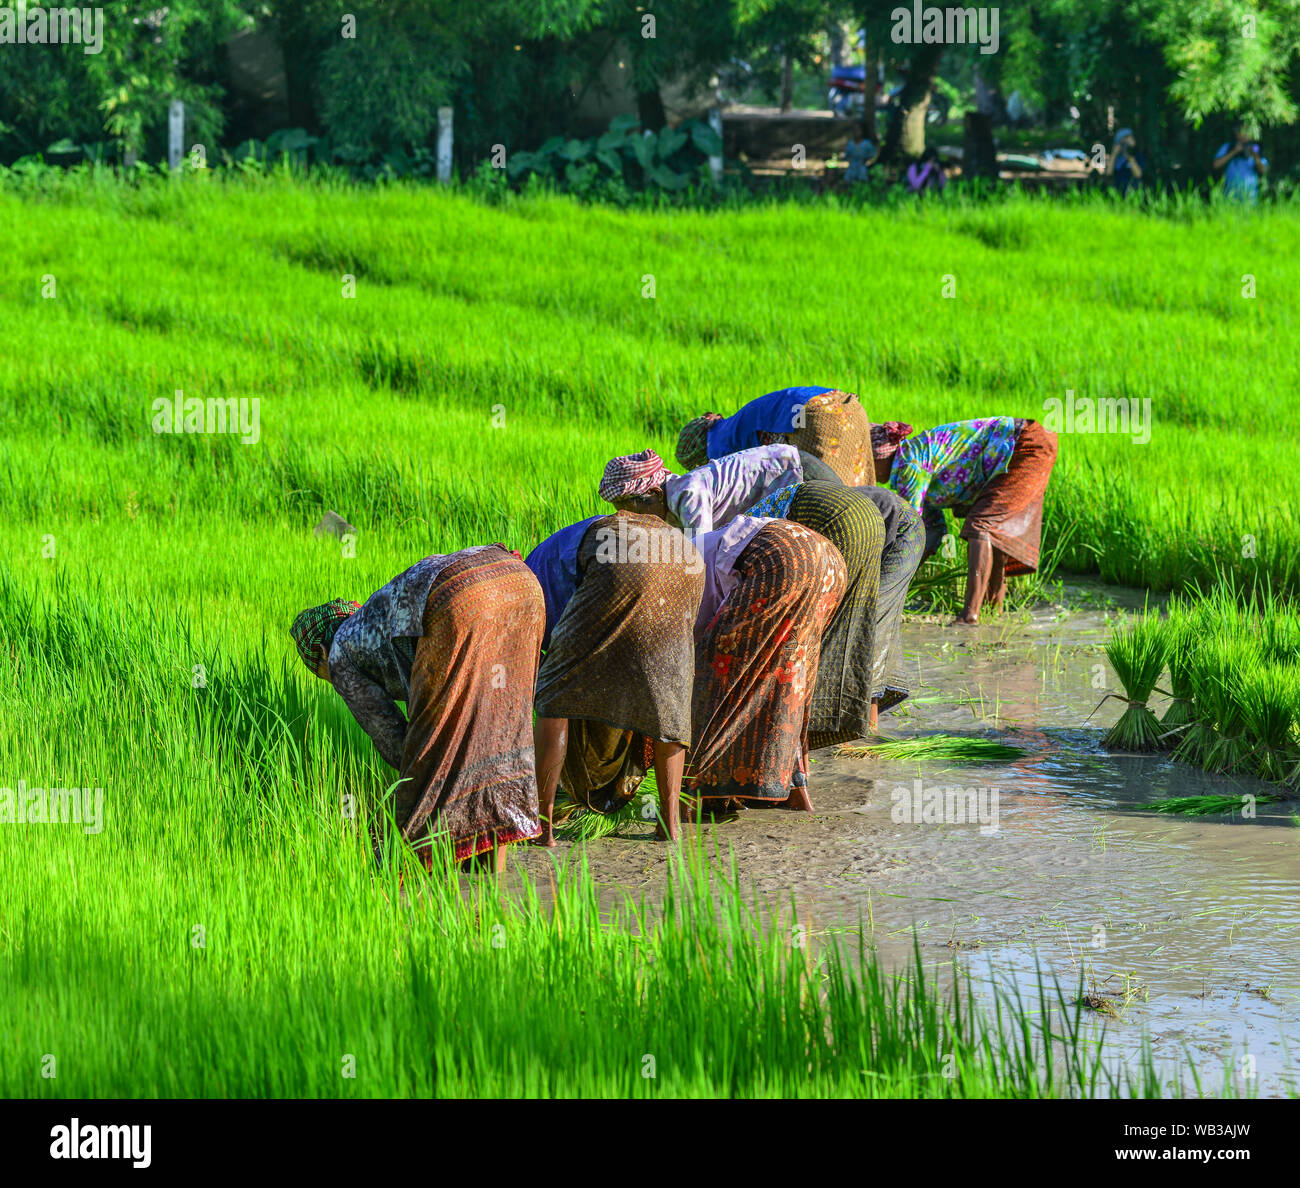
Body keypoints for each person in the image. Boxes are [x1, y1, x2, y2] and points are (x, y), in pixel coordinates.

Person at [289, 546, 544, 874]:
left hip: (457, 596)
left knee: (435, 743)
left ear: (320, 652)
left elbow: (395, 737)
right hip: (519, 582)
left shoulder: (338, 651)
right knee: (501, 727)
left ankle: (413, 858)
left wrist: (409, 801)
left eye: (319, 672)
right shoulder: (374, 619)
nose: (329, 679)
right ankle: (488, 867)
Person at [526, 512, 704, 845]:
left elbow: (545, 641)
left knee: (553, 697)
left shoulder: (530, 573)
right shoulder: (562, 542)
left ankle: (541, 825)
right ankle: (669, 824)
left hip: (620, 557)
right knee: (668, 702)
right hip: (684, 557)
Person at [687, 515, 846, 811]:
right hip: (829, 561)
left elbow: (694, 649)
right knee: (790, 680)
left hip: (782, 557)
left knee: (711, 672)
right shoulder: (692, 550)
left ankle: (697, 788)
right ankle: (795, 791)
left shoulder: (676, 568)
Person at [746, 480, 925, 730]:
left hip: (900, 530)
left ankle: (867, 727)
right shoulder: (753, 530)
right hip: (872, 526)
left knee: (868, 622)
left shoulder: (750, 539)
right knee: (856, 623)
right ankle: (851, 721)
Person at [873, 418, 1058, 626]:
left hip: (1023, 445)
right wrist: (898, 581)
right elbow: (930, 531)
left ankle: (970, 616)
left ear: (881, 456)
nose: (867, 471)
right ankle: (992, 609)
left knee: (981, 525)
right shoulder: (915, 459)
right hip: (1029, 441)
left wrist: (882, 584)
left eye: (868, 462)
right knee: (991, 528)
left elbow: (907, 530)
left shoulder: (908, 463)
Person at [598, 445, 812, 539]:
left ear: (655, 493)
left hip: (796, 470)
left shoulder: (690, 494)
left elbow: (703, 554)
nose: (633, 519)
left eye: (633, 512)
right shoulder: (671, 505)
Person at [676, 386, 872, 485]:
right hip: (848, 405)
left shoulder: (721, 449)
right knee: (858, 498)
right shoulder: (735, 425)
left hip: (816, 416)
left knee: (828, 501)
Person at [1212, 122, 1268, 202]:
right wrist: (1234, 151)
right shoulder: (1228, 146)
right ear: (1236, 133)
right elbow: (1216, 165)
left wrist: (1255, 156)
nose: (1245, 134)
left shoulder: (1256, 148)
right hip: (1230, 197)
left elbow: (1263, 170)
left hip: (1250, 199)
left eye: (1247, 131)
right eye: (1242, 131)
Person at [1105, 128, 1145, 197]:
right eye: (1126, 138)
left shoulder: (1137, 155)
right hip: (1117, 192)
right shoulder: (1114, 157)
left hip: (1132, 192)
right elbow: (1108, 173)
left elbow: (1138, 175)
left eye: (1131, 137)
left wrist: (1129, 156)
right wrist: (1114, 154)